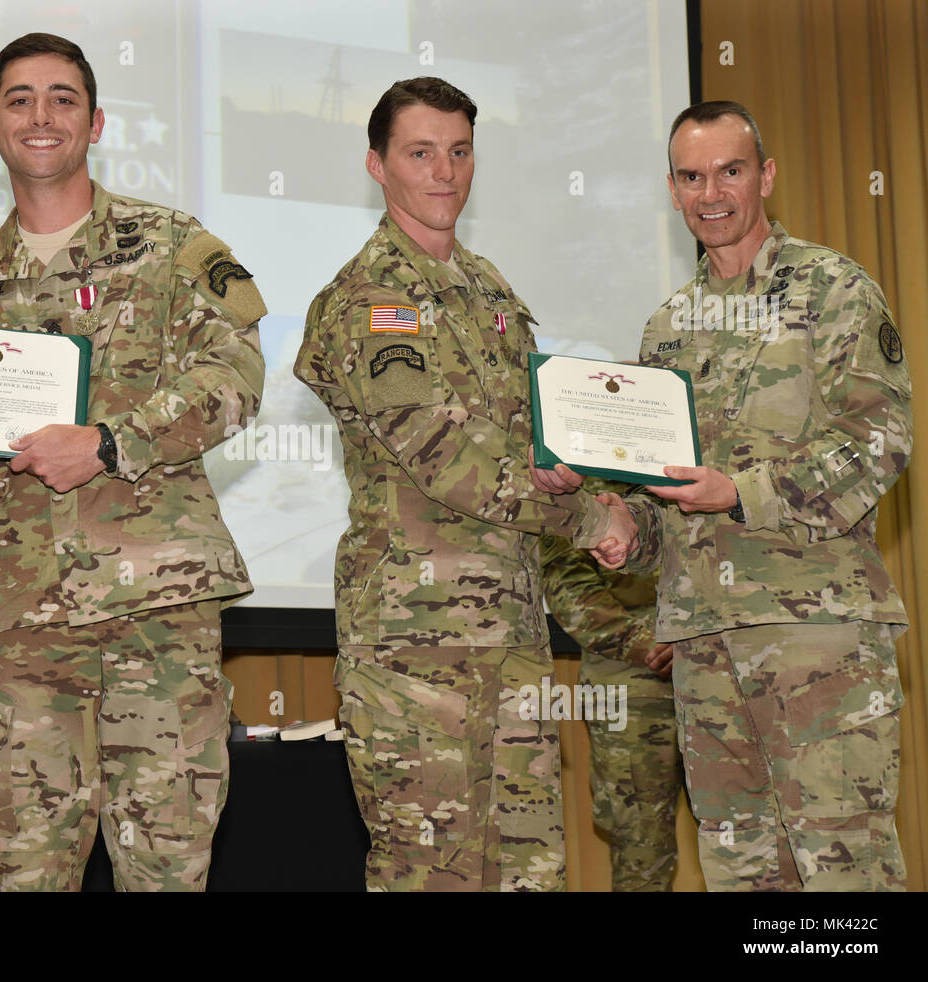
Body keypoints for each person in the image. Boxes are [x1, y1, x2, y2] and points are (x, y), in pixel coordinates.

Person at [0, 33, 265, 891]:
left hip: (157, 614)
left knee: (165, 871)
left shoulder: (170, 245)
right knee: (25, 871)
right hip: (28, 631)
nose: (40, 116)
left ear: (94, 122)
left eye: (61, 99)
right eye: (19, 100)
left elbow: (235, 375)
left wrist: (109, 442)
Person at [293, 77, 634, 891]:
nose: (444, 171)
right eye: (420, 153)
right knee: (431, 873)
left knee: (530, 873)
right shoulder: (373, 299)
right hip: (416, 646)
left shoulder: (488, 292)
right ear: (377, 165)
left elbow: (536, 440)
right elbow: (446, 454)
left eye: (459, 150)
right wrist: (592, 518)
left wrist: (605, 477)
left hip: (512, 634)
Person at [586, 101, 911, 891]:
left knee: (844, 877)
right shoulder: (665, 331)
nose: (712, 193)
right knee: (745, 878)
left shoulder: (833, 290)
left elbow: (882, 441)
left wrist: (745, 491)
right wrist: (627, 529)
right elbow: (670, 495)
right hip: (702, 646)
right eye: (692, 177)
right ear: (672, 190)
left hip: (816, 639)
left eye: (730, 170)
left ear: (763, 176)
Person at [540, 527, 681, 891]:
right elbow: (566, 582)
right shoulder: (586, 477)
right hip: (633, 684)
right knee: (641, 842)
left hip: (735, 672)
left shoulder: (716, 472)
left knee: (744, 829)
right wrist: (649, 646)